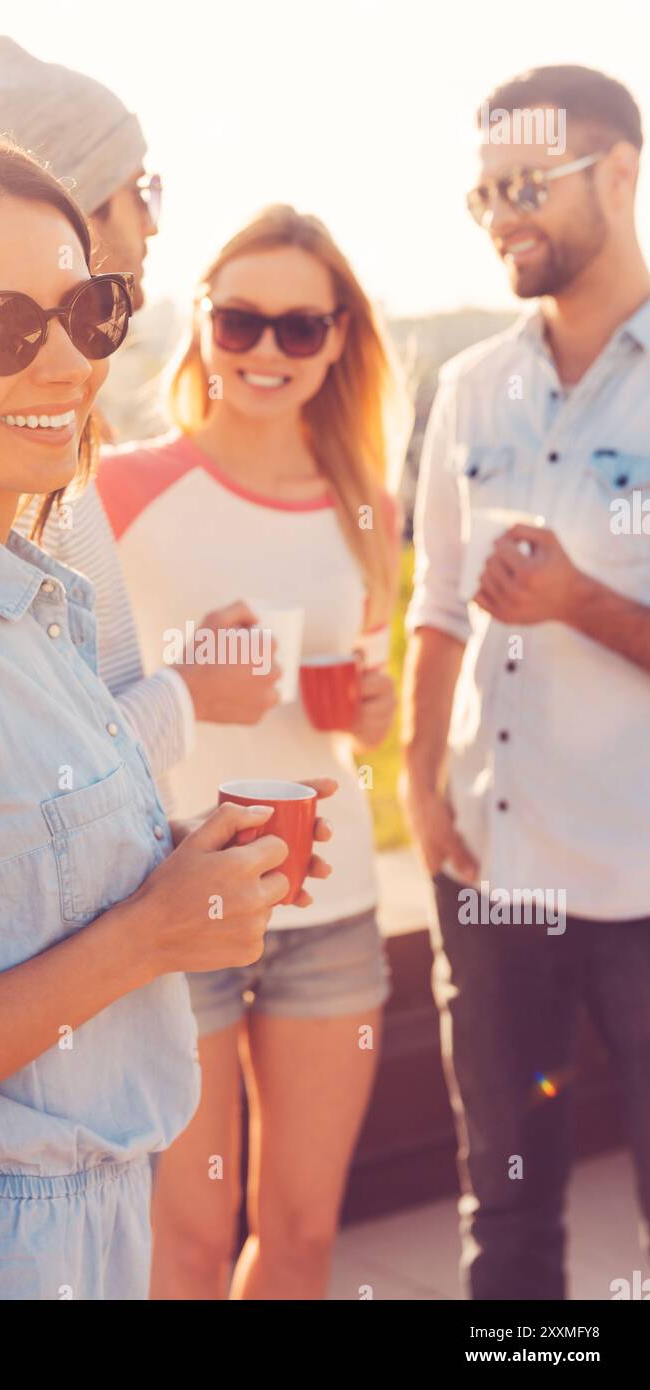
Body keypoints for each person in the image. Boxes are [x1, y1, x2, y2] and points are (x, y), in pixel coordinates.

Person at [0, 126, 334, 1301]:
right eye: (1, 325)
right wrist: (150, 938)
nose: (67, 365)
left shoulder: (26, 598)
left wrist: (181, 883)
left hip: (84, 1245)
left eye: (88, 313)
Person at [96, 205, 413, 1299]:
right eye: (239, 323)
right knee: (183, 1245)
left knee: (304, 1237)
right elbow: (65, 701)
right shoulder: (118, 489)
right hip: (172, 905)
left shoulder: (371, 506)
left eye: (299, 327)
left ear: (338, 339)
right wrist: (189, 672)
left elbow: (362, 715)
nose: (268, 351)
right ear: (202, 330)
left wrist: (369, 708)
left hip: (331, 908)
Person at [401, 65, 650, 1301]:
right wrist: (413, 776)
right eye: (483, 192)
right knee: (504, 1216)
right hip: (497, 880)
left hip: (648, 884)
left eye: (525, 184)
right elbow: (435, 602)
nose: (502, 213)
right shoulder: (468, 386)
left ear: (620, 171)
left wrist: (581, 604)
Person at [0, 36, 278, 788]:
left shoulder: (49, 428)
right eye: (138, 189)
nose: (153, 224)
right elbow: (25, 785)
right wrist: (187, 692)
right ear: (69, 210)